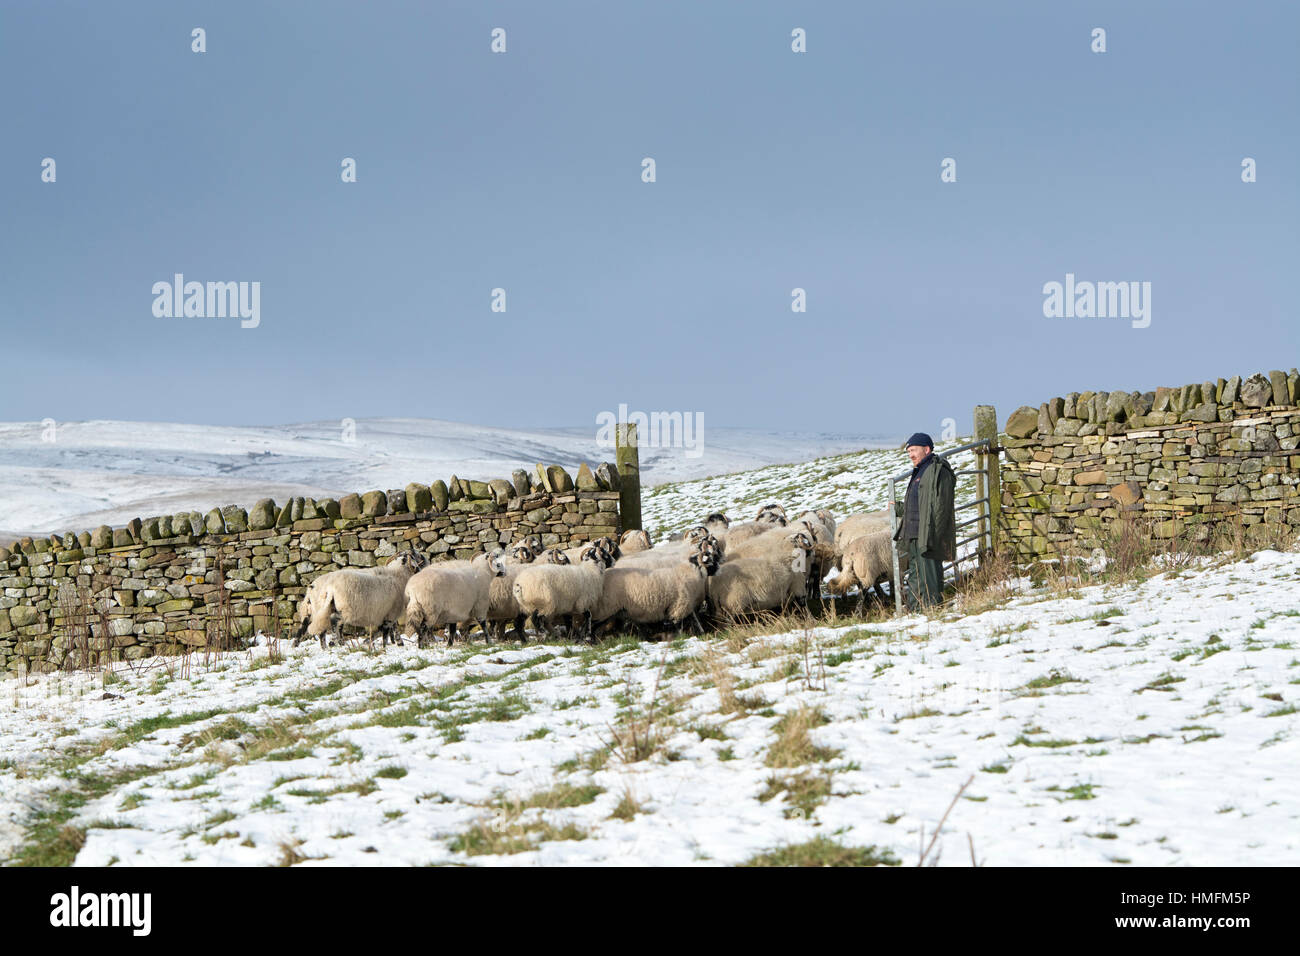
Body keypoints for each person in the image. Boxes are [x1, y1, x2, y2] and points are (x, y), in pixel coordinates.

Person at [892, 433, 956, 609]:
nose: (911, 455)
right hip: (913, 533)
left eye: (913, 450)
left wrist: (934, 534)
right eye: (908, 452)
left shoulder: (938, 471)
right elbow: (920, 502)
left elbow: (942, 506)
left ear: (926, 449)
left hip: (928, 533)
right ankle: (916, 609)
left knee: (929, 574)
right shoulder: (919, 471)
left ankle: (932, 610)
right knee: (915, 574)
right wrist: (899, 508)